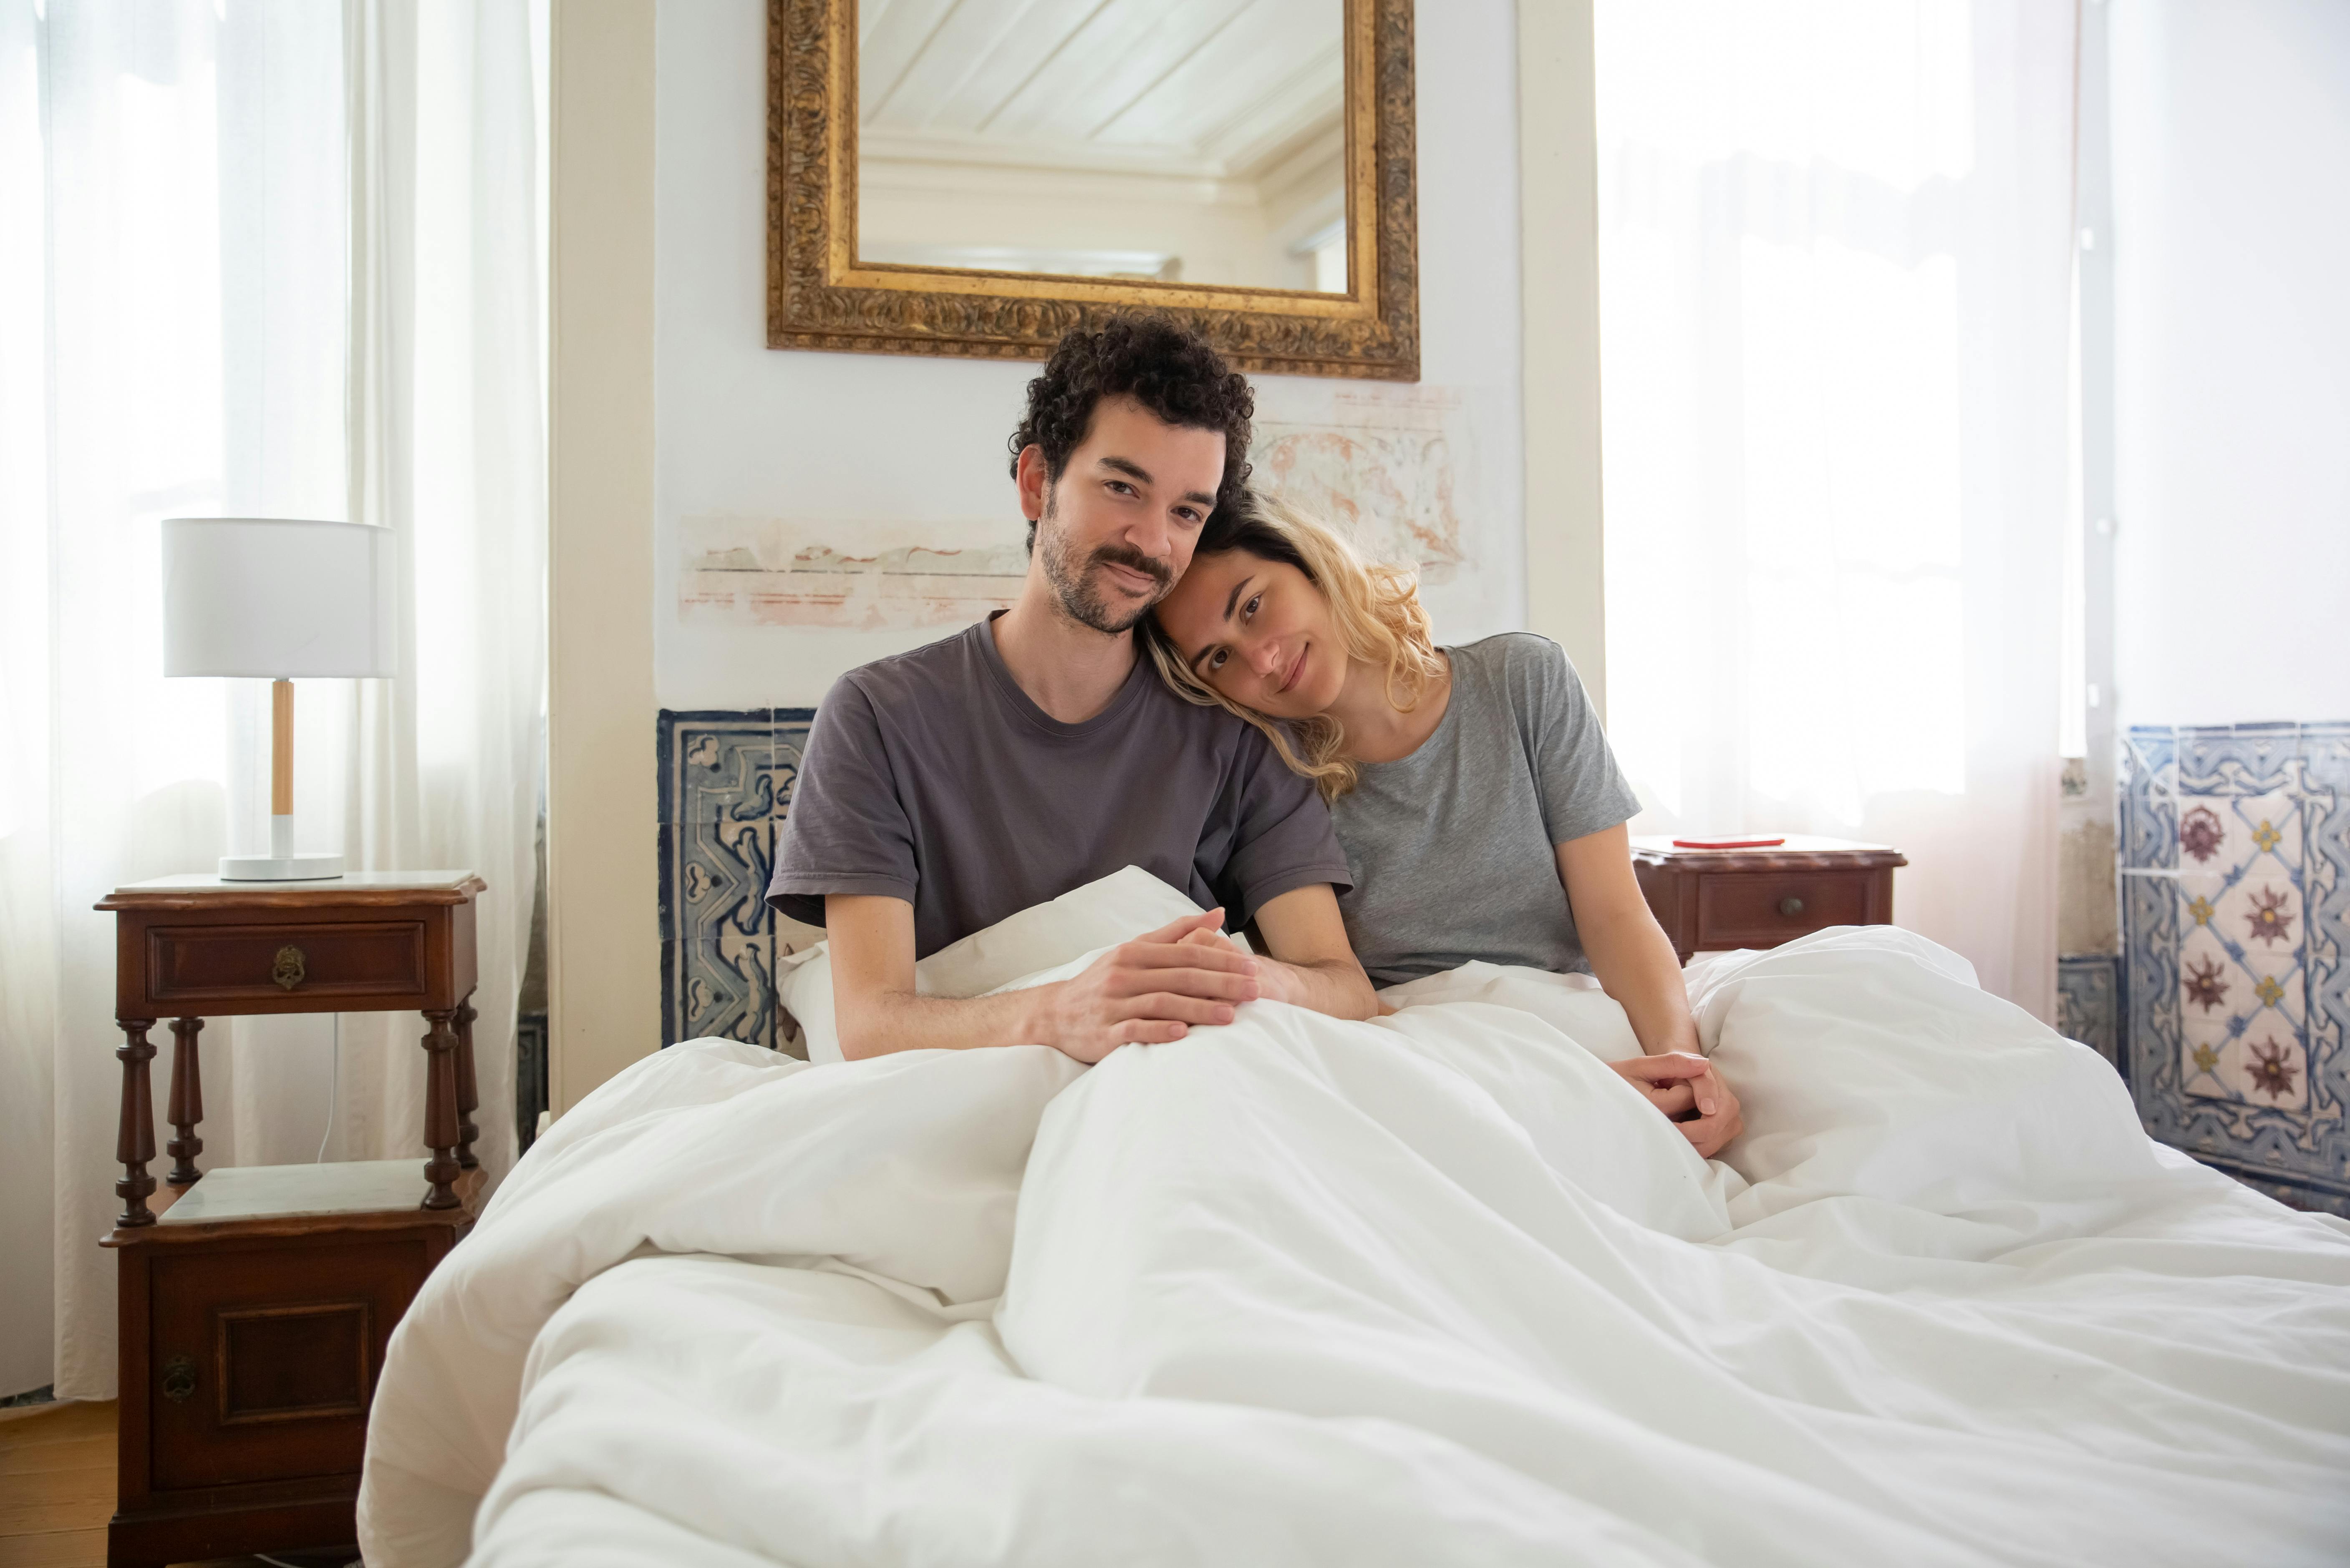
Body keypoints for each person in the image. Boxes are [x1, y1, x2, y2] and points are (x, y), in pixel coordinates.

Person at [768, 317, 1379, 1064]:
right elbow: (870, 1027)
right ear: (1037, 483)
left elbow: (1345, 989)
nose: (1153, 542)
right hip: (966, 1094)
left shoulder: (1237, 734)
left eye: (1186, 512)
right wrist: (1065, 1009)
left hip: (1176, 1085)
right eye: (1123, 488)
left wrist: (1229, 976)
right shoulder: (877, 718)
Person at [1147, 491, 1745, 1157]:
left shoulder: (1524, 680)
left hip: (1574, 1025)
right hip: (1433, 1069)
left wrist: (1681, 1064)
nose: (1259, 659)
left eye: (1253, 606)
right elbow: (1349, 1000)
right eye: (1219, 659)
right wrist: (1556, 1089)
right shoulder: (1272, 780)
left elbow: (1616, 915)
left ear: (1310, 565)